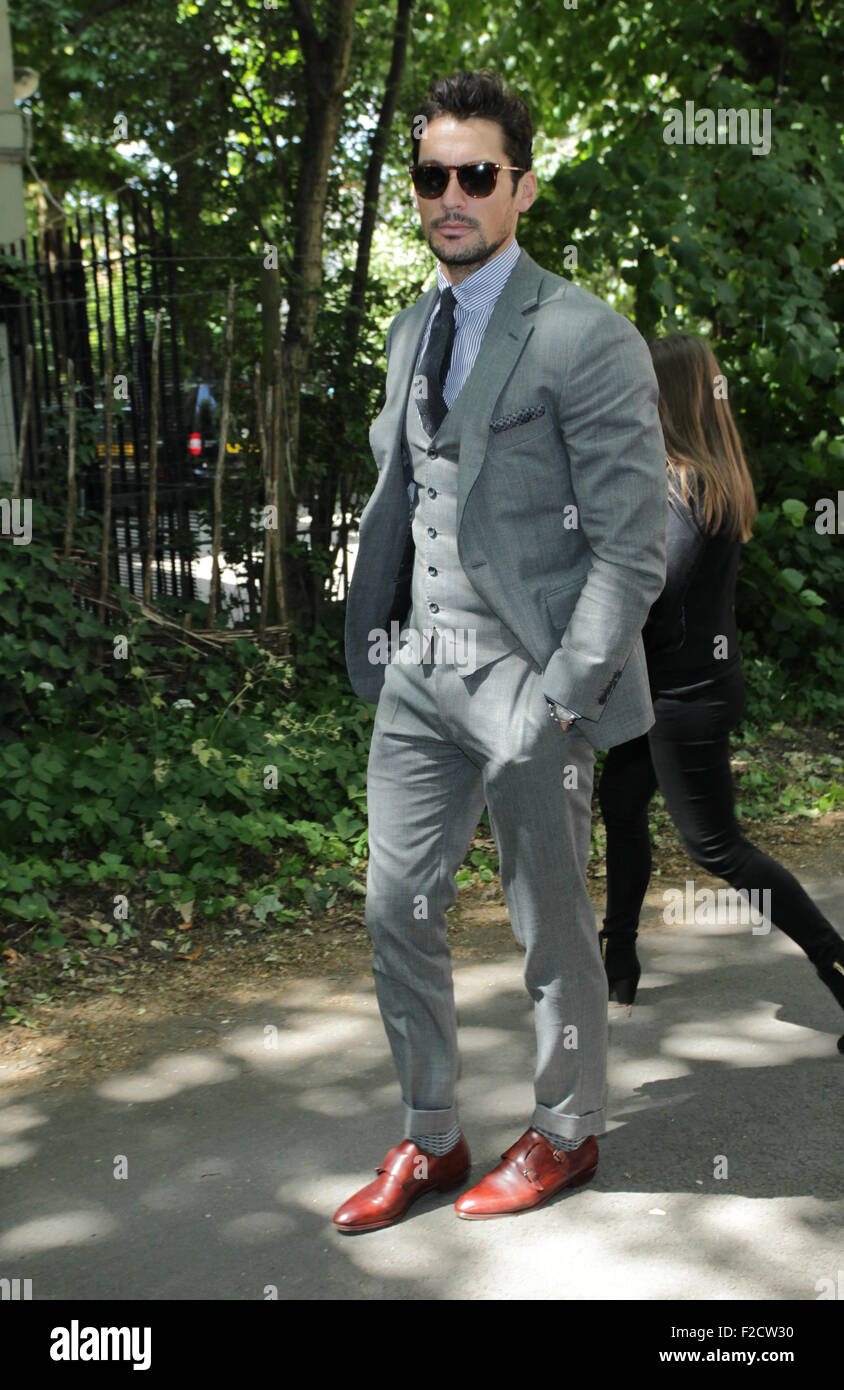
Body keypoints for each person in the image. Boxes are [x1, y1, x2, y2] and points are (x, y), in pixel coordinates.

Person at [333, 68, 667, 1233]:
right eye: (433, 176)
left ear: (520, 186)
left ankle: (566, 1131)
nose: (451, 195)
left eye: (477, 174)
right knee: (395, 910)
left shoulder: (585, 336)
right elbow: (403, 496)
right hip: (418, 669)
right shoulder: (408, 326)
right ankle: (432, 1136)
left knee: (549, 924)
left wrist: (560, 699)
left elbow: (633, 547)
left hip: (531, 679)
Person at [597, 332, 844, 1051]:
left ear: (663, 396)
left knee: (719, 848)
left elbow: (660, 598)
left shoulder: (680, 484)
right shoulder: (707, 472)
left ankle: (834, 959)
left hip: (682, 696)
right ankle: (618, 958)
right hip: (676, 685)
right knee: (621, 802)